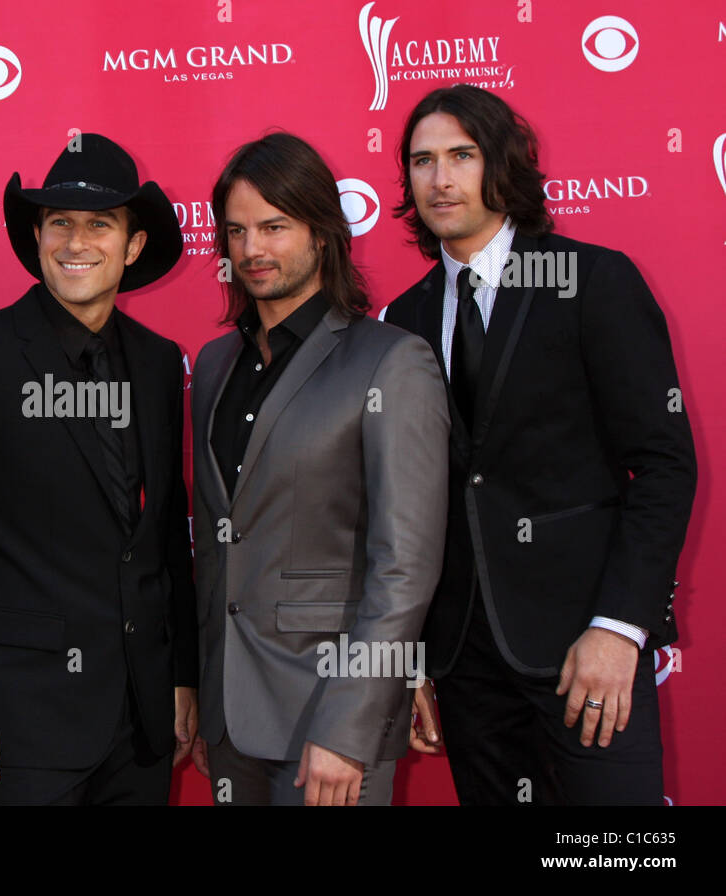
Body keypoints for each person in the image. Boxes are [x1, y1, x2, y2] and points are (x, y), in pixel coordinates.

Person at [382, 85, 696, 805]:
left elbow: (665, 464)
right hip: (466, 664)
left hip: (585, 649)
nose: (440, 178)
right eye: (422, 161)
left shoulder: (593, 280)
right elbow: (415, 503)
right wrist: (416, 658)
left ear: (504, 164)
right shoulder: (405, 317)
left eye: (461, 155)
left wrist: (620, 628)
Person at [0, 134, 197, 805]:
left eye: (99, 224)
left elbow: (165, 538)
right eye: (58, 223)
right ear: (36, 239)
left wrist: (180, 677)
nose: (76, 242)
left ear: (134, 244)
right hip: (21, 727)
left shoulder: (155, 363)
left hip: (141, 726)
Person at [190, 132, 449, 806]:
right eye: (237, 231)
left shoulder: (391, 361)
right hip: (227, 720)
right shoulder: (214, 367)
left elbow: (405, 565)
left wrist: (351, 723)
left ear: (324, 233)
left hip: (330, 722)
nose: (251, 250)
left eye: (275, 227)